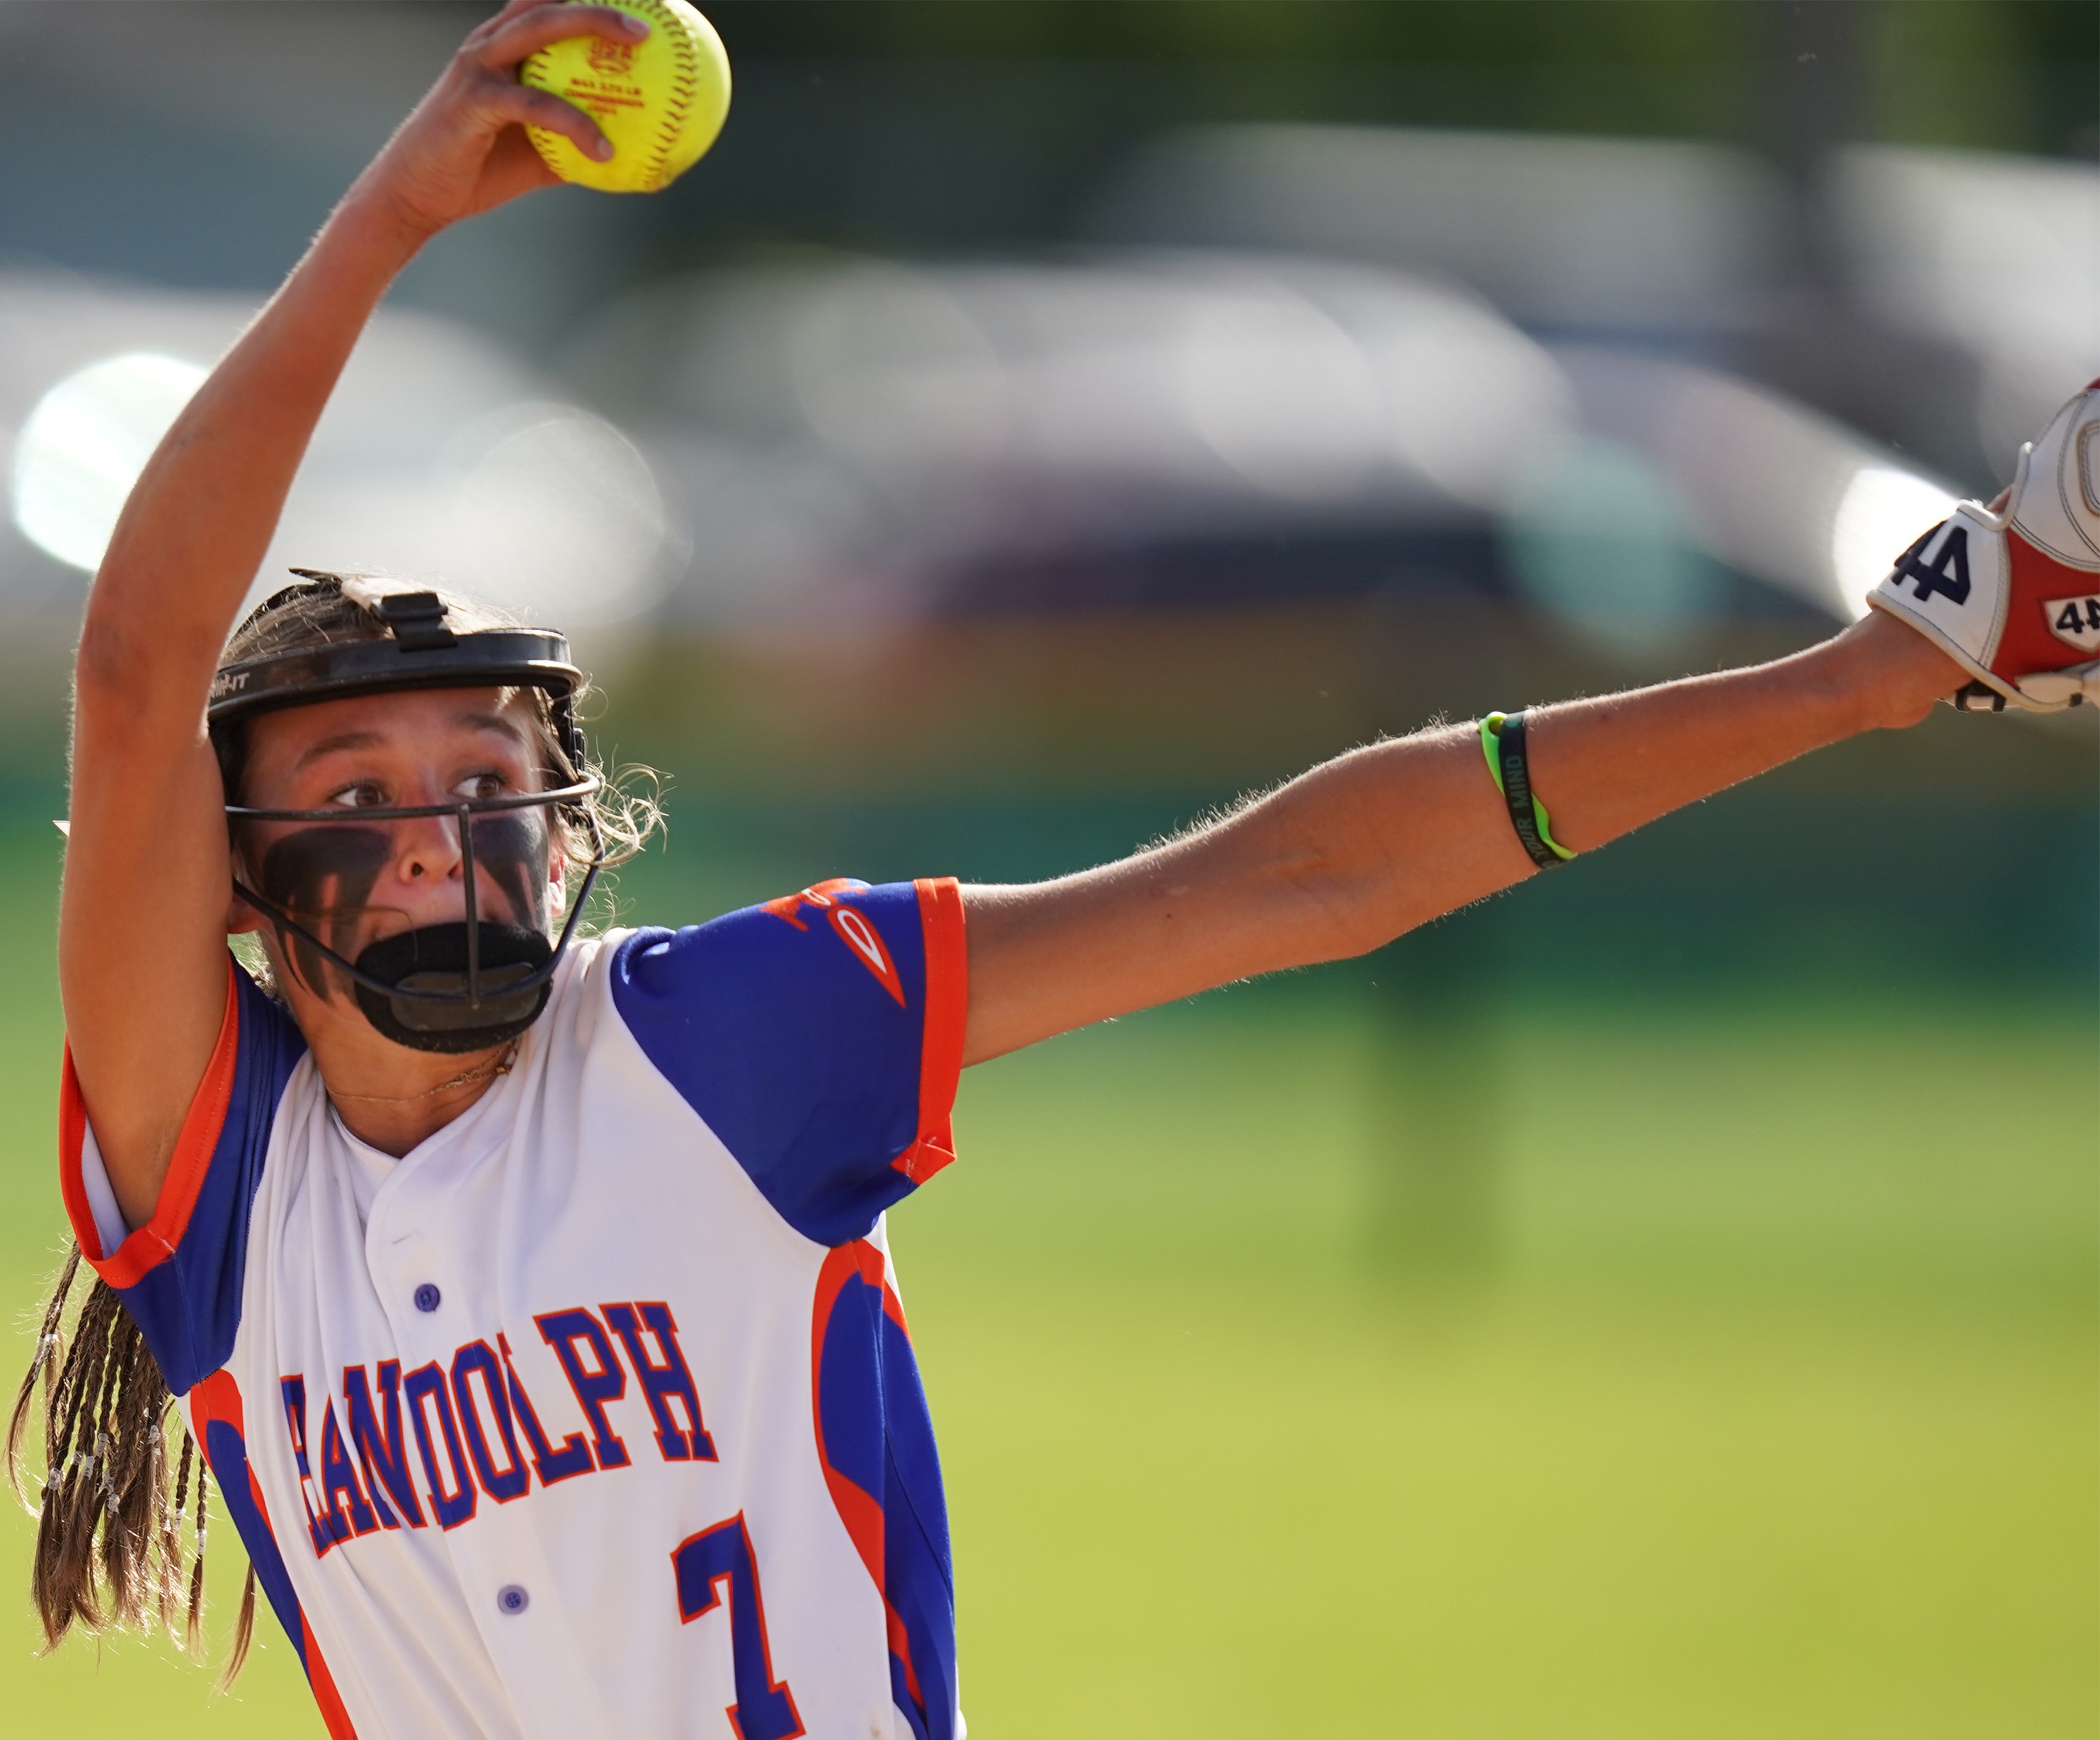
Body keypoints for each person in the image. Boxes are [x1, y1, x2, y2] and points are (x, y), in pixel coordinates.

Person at [11, 4, 2099, 1737]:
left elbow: (1309, 874)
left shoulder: (732, 1037)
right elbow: (132, 676)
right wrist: (392, 217)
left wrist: (1855, 678)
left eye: (484, 768)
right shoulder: (216, 1187)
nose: (436, 825)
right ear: (241, 880)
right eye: (355, 784)